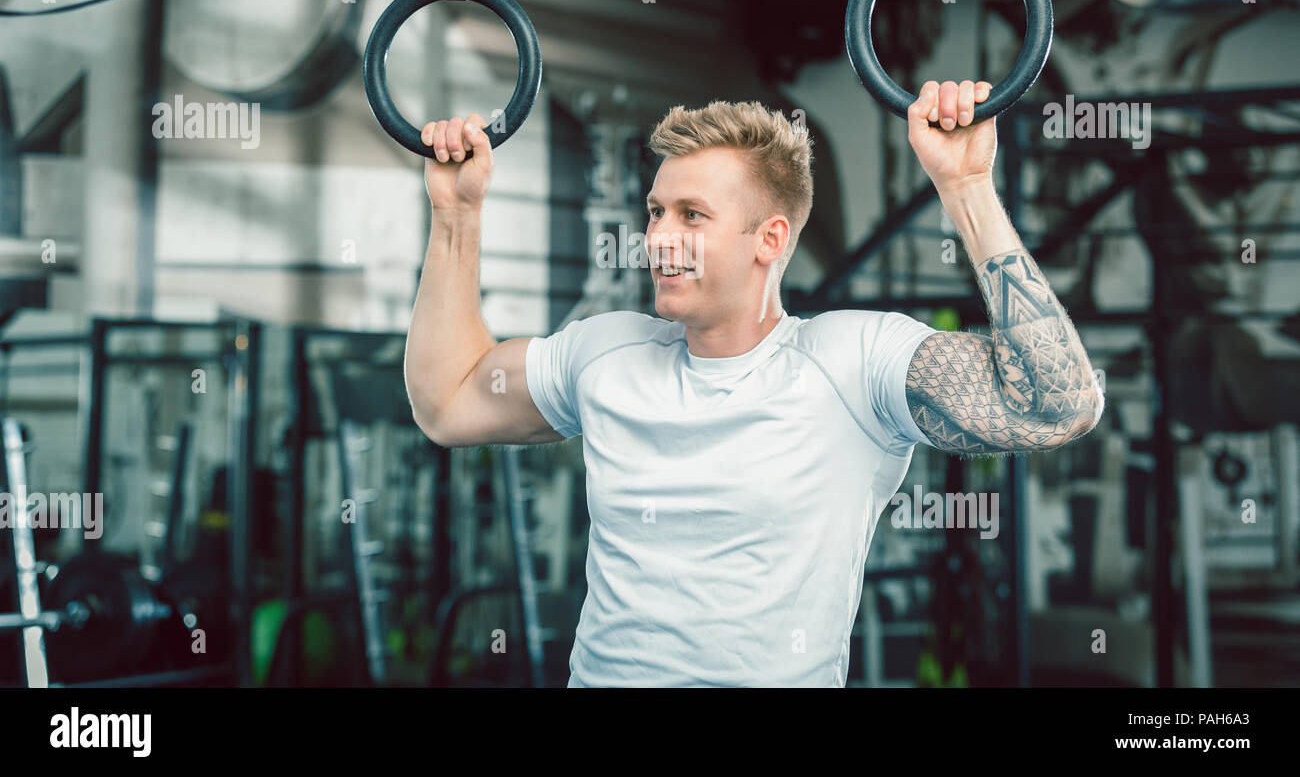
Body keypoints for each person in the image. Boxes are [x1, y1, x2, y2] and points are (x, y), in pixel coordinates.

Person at [406, 79, 1104, 687]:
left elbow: (1056, 406)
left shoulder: (852, 362)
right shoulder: (605, 354)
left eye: (692, 216)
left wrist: (967, 188)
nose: (657, 238)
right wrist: (456, 215)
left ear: (769, 238)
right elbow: (448, 403)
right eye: (656, 211)